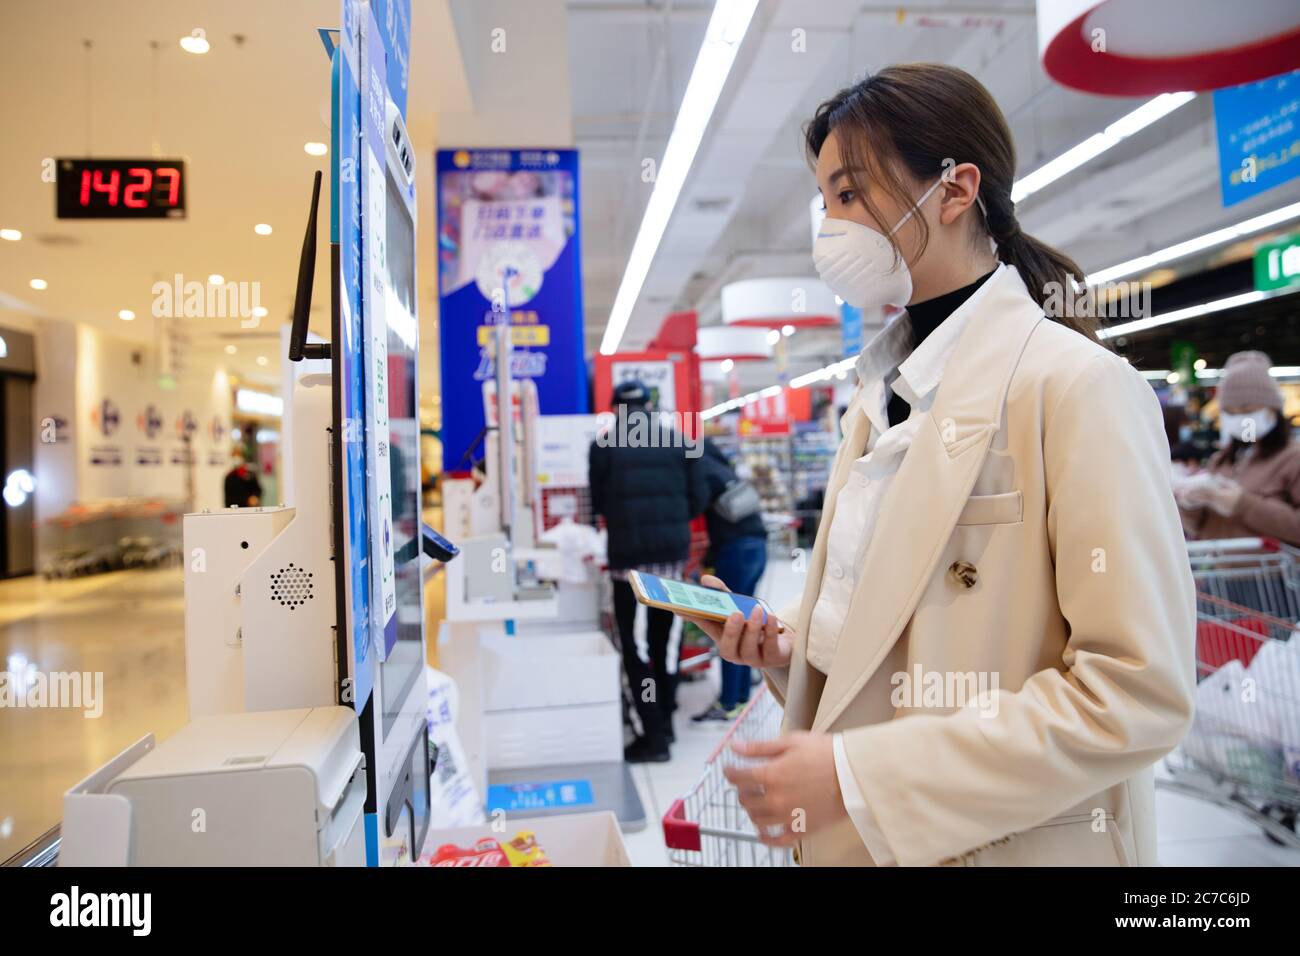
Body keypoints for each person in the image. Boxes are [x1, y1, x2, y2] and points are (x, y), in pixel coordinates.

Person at [674, 64, 1195, 866]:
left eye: (850, 195)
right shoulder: (875, 402)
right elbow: (889, 644)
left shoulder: (1076, 387)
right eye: (825, 203)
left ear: (954, 192)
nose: (830, 228)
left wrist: (861, 775)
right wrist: (787, 655)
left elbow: (1136, 692)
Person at [589, 381, 709, 763]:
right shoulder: (681, 441)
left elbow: (598, 500)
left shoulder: (602, 446)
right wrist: (672, 524)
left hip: (629, 568)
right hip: (672, 562)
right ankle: (668, 724)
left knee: (637, 651)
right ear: (650, 407)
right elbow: (699, 497)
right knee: (666, 646)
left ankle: (653, 736)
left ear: (616, 409)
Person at [1176, 350, 1300, 544]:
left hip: (1276, 572)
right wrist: (1190, 505)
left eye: (1248, 410)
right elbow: (1198, 528)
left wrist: (1243, 504)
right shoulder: (1221, 460)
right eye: (1230, 412)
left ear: (1273, 409)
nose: (1241, 418)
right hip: (1220, 571)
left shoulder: (1293, 458)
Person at [692, 438, 768, 724]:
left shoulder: (702, 470)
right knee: (745, 622)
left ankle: (727, 702)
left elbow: (695, 506)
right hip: (757, 549)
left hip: (735, 552)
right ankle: (740, 698)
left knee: (730, 626)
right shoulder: (726, 471)